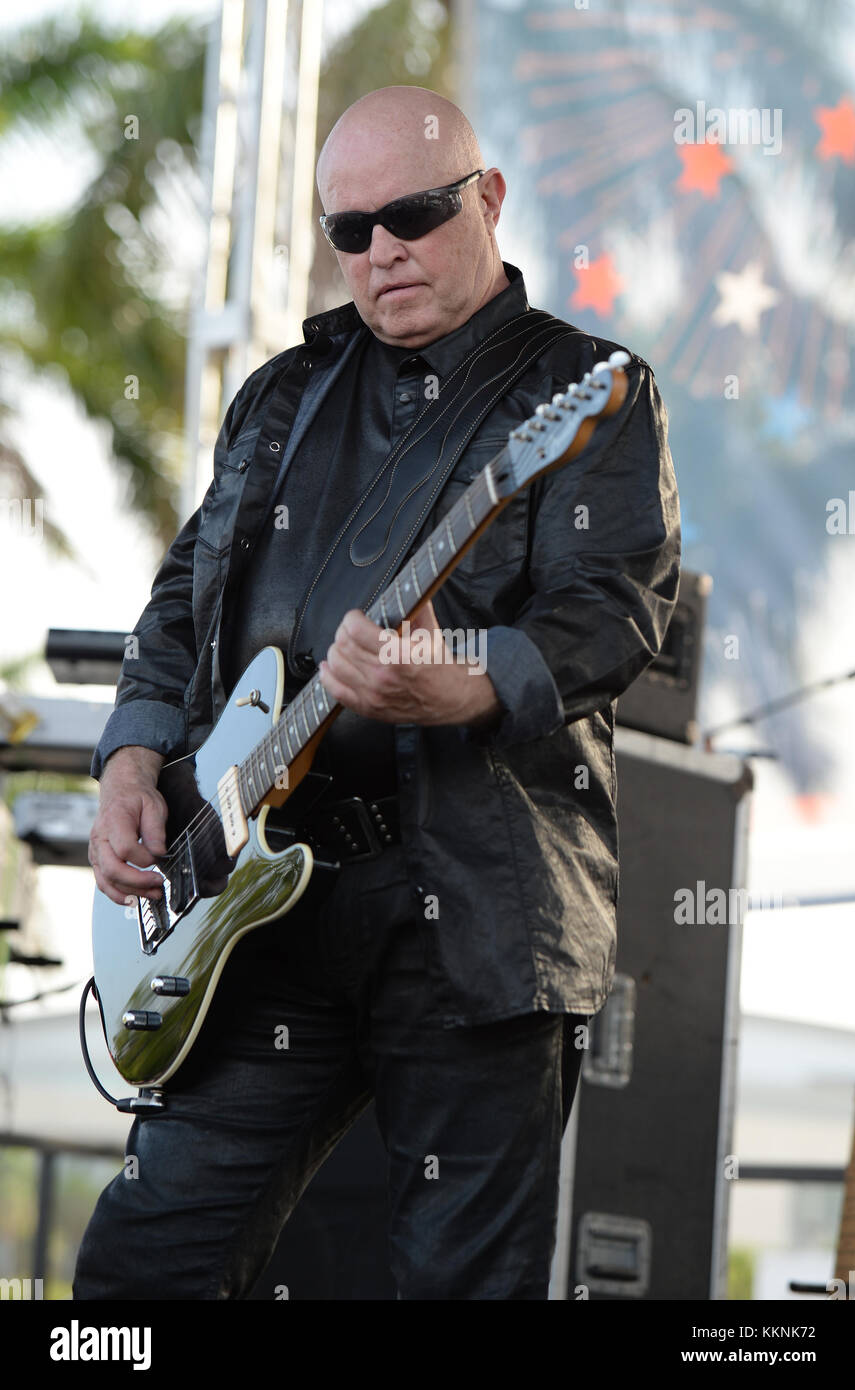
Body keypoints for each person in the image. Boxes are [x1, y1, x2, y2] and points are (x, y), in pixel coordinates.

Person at [75, 85, 680, 1301]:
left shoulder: (580, 388)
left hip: (468, 909)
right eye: (349, 229)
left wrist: (452, 684)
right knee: (139, 1270)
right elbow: (182, 604)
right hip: (253, 912)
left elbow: (609, 609)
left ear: (487, 198)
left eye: (410, 211)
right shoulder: (281, 397)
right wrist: (134, 761)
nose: (380, 248)